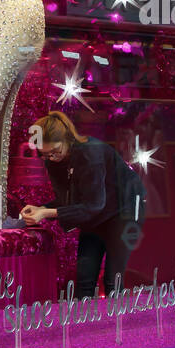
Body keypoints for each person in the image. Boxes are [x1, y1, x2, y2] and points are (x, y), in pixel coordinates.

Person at [20, 111, 147, 298]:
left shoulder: (90, 153)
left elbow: (93, 204)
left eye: (56, 152)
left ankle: (118, 325)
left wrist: (46, 213)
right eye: (45, 154)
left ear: (68, 140)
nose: (51, 158)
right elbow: (68, 201)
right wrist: (42, 209)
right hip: (95, 215)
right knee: (84, 279)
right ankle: (85, 328)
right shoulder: (52, 161)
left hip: (123, 211)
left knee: (113, 279)